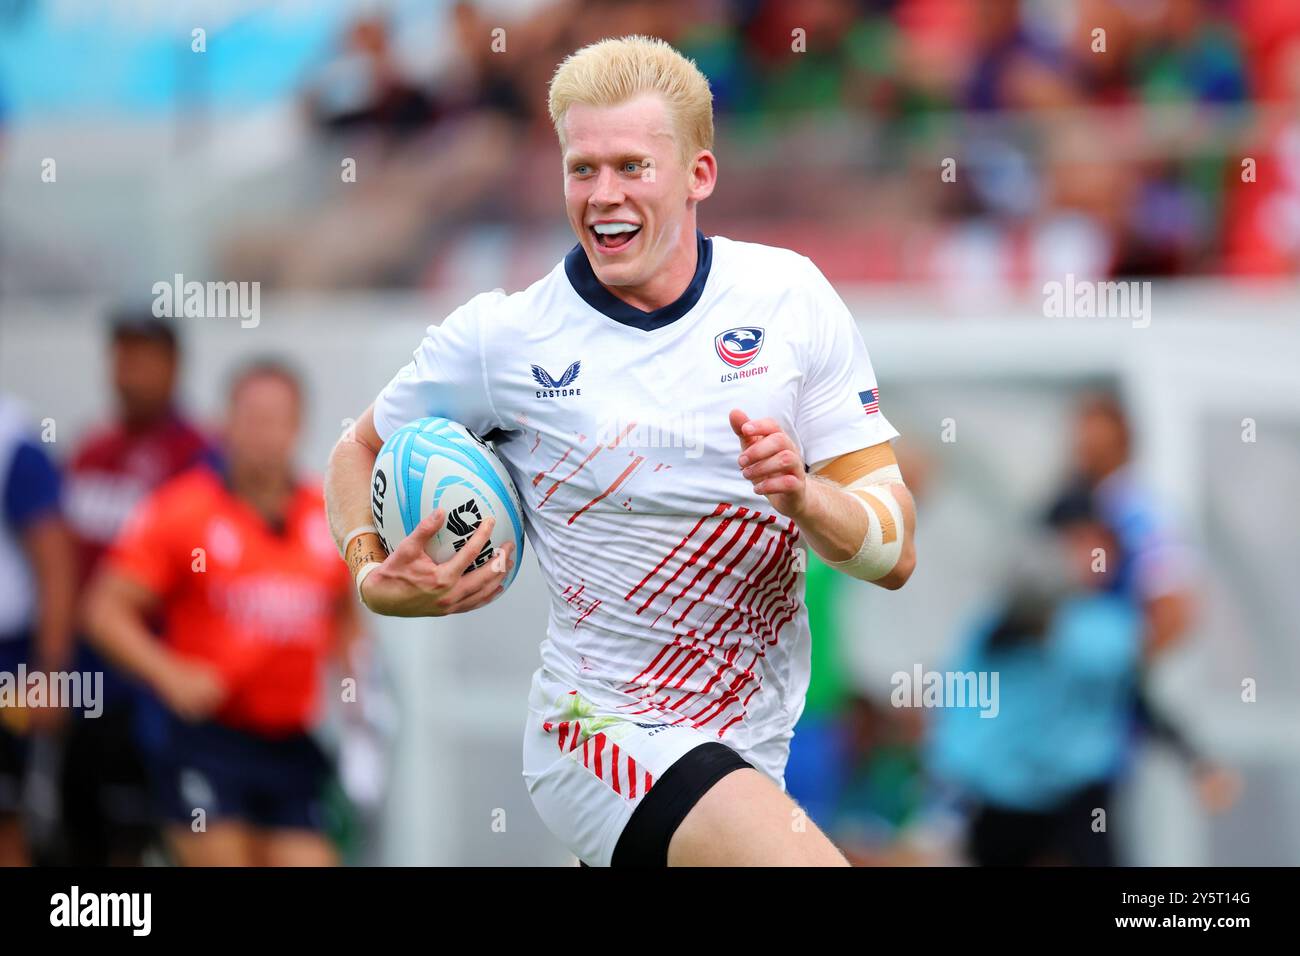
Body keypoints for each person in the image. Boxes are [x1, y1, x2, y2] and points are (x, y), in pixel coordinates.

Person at [325, 35, 917, 867]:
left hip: (753, 742)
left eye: (632, 167)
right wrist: (371, 573)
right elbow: (357, 449)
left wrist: (806, 498)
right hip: (596, 730)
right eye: (582, 168)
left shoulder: (792, 299)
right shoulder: (506, 338)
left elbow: (894, 550)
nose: (604, 196)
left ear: (698, 175)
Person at [84, 361, 361, 866]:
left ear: (298, 427)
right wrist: (168, 672)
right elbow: (104, 610)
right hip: (206, 740)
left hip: (290, 744)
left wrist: (359, 706)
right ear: (226, 424)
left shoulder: (325, 517)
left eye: (278, 419)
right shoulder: (182, 511)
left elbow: (347, 617)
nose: (265, 434)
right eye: (252, 418)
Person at [59, 314, 214, 866]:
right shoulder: (90, 452)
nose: (129, 374)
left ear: (173, 366)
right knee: (78, 838)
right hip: (83, 683)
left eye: (143, 359)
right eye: (121, 358)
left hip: (158, 692)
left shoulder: (200, 458)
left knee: (151, 841)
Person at [0, 396, 75, 867]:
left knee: (6, 818)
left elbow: (55, 564)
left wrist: (49, 672)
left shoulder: (13, 441)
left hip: (6, 659)